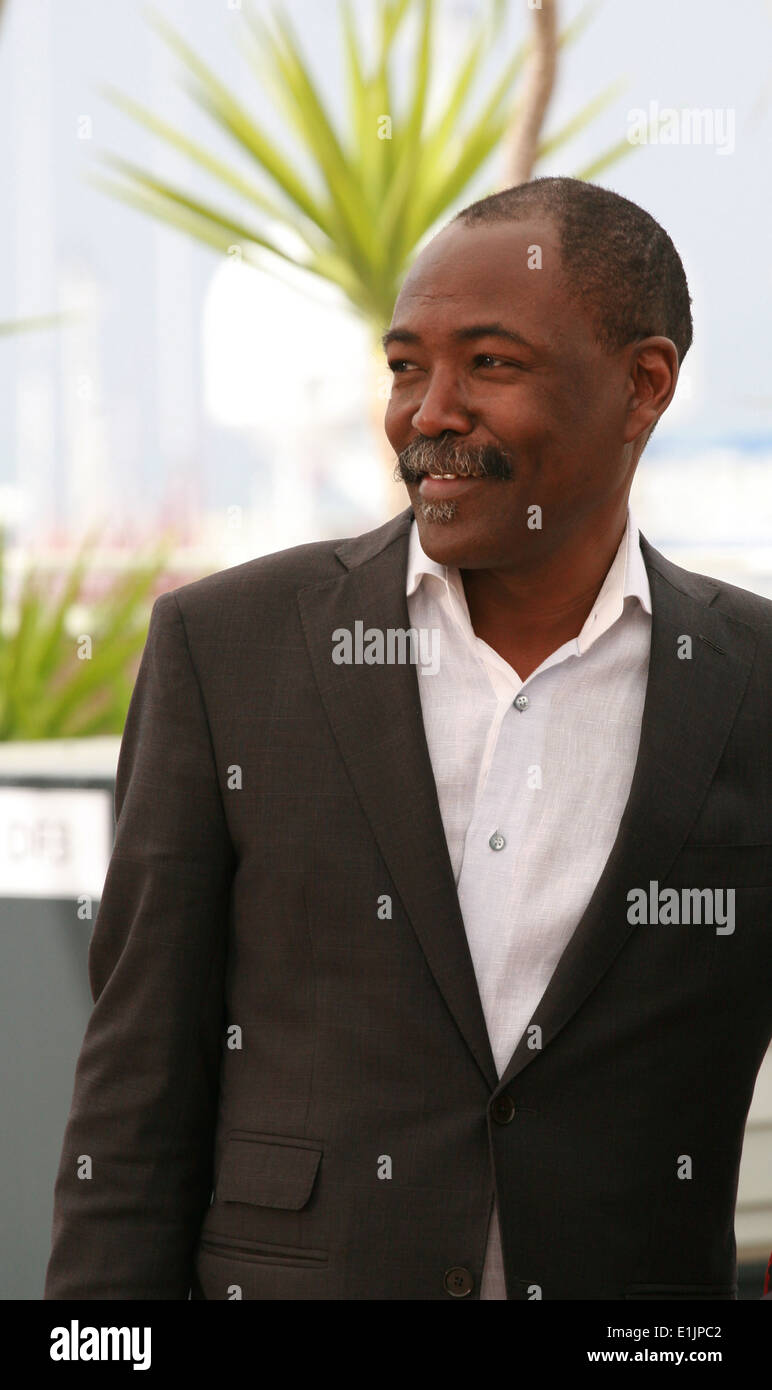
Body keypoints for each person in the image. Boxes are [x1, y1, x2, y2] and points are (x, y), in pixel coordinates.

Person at [44, 177, 772, 1300]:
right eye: (403, 365)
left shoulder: (751, 681)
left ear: (643, 385)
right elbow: (135, 1093)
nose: (428, 411)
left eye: (490, 363)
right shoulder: (228, 648)